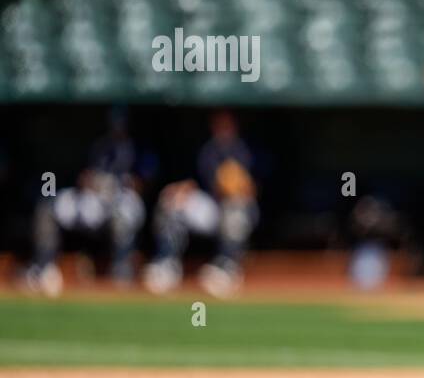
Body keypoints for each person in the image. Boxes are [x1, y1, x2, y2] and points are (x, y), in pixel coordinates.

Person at [25, 107, 150, 296]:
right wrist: (90, 181)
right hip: (93, 200)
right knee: (48, 205)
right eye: (115, 123)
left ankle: (122, 268)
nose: (118, 128)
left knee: (123, 214)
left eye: (122, 124)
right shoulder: (100, 146)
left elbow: (143, 182)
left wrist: (116, 184)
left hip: (121, 198)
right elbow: (85, 176)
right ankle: (44, 266)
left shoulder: (139, 148)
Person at [142, 110, 258, 297]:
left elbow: (252, 190)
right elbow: (195, 180)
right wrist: (184, 190)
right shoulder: (207, 150)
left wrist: (237, 186)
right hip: (211, 206)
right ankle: (167, 263)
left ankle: (226, 267)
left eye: (227, 124)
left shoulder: (245, 150)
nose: (223, 129)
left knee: (236, 209)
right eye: (219, 124)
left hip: (236, 210)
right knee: (171, 200)